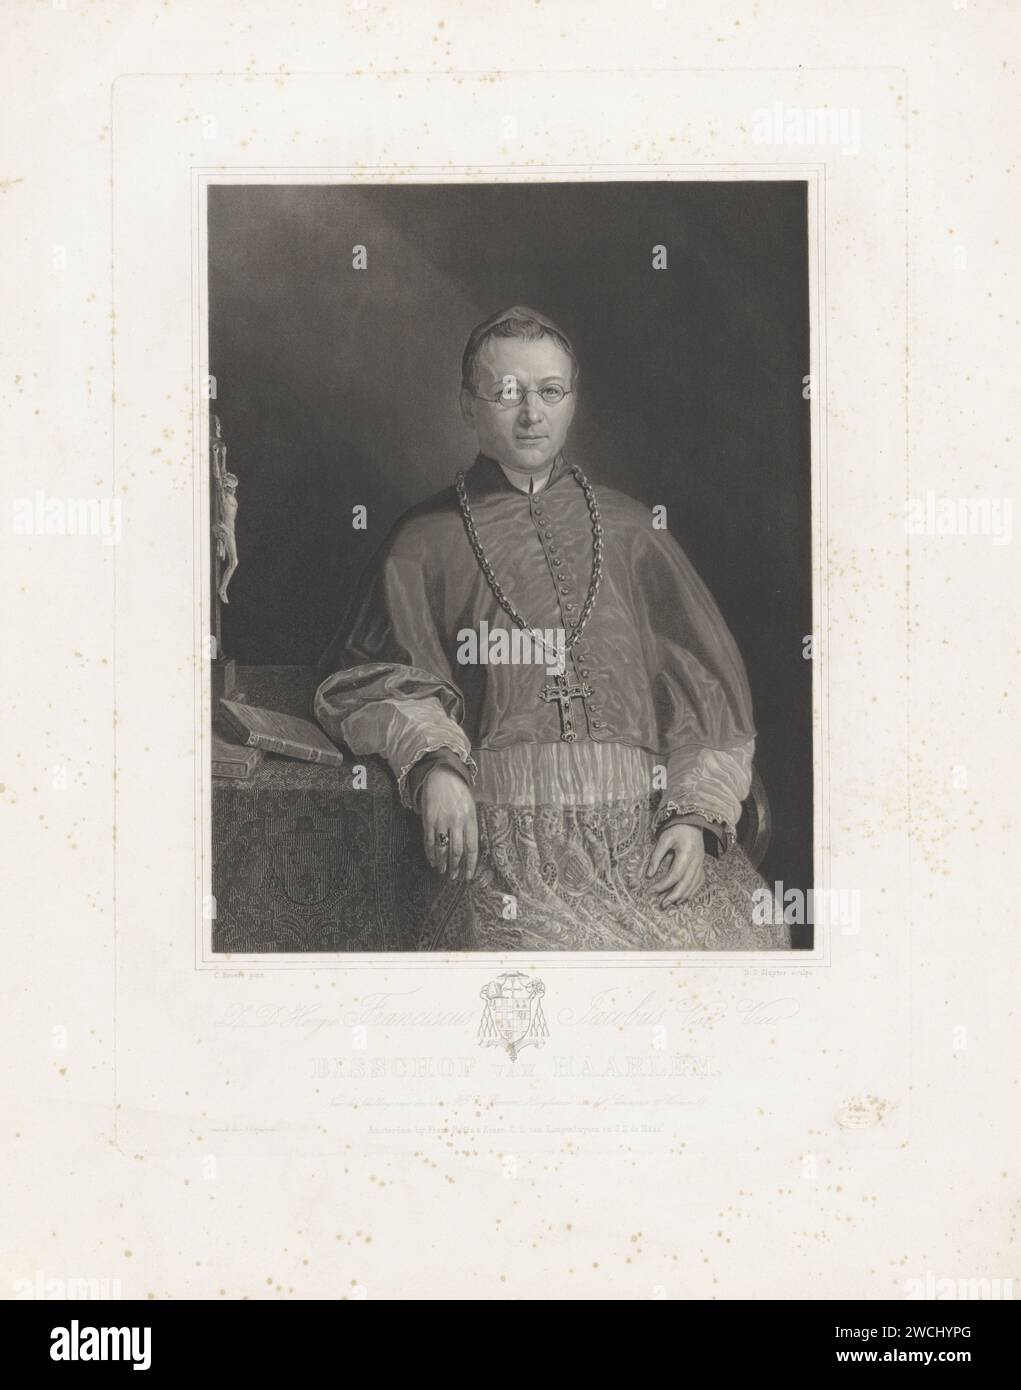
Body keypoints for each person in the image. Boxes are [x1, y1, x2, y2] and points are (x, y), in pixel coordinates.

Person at [315, 306, 789, 950]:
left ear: (573, 403)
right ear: (468, 405)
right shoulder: (421, 541)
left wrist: (695, 818)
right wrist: (436, 768)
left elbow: (705, 698)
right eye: (507, 393)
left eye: (549, 391)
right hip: (505, 855)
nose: (530, 414)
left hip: (645, 842)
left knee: (737, 948)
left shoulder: (633, 531)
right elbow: (377, 681)